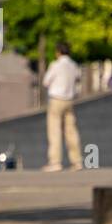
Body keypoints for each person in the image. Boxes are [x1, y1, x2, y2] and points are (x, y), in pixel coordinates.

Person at [42, 42, 83, 171]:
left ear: (58, 52)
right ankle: (77, 161)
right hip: (69, 100)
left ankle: (55, 162)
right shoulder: (74, 65)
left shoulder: (55, 65)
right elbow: (78, 80)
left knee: (54, 131)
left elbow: (46, 82)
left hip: (56, 99)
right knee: (71, 131)